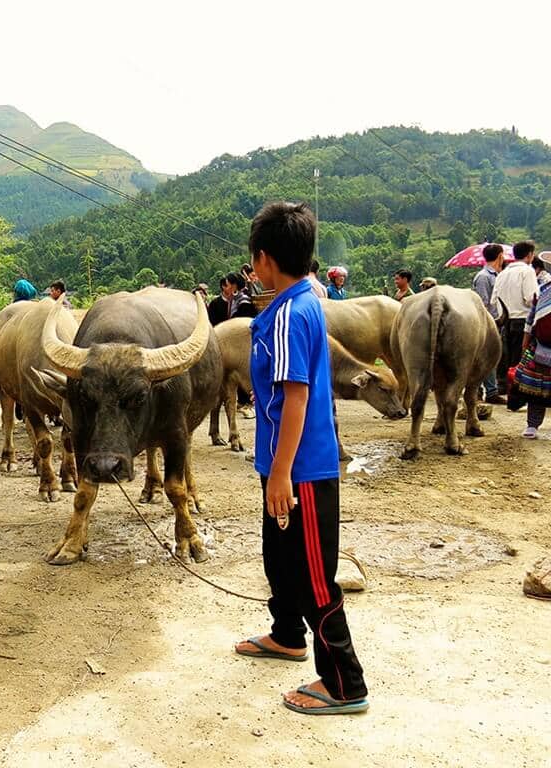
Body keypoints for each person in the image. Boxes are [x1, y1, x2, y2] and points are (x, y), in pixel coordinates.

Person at [234, 200, 368, 715]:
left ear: (264, 259)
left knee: (314, 575)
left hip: (303, 470)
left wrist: (283, 472)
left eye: (253, 259)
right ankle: (287, 634)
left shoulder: (291, 312)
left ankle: (344, 683)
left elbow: (295, 394)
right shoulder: (297, 303)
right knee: (281, 559)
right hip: (283, 465)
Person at [492, 240, 540, 393]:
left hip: (504, 320)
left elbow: (494, 300)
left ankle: (502, 386)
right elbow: (531, 298)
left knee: (504, 355)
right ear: (530, 255)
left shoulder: (502, 273)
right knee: (520, 357)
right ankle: (517, 390)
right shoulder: (527, 271)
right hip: (522, 319)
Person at [517, 252, 551, 438]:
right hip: (543, 345)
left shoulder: (542, 290)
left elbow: (530, 321)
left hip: (540, 346)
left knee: (537, 388)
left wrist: (525, 343)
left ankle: (532, 426)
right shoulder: (542, 289)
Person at [472, 243, 505, 403]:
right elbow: (483, 303)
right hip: (487, 322)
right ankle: (486, 391)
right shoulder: (484, 277)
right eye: (502, 255)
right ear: (499, 256)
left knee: (490, 357)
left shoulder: (496, 275)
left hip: (494, 322)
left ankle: (489, 390)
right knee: (483, 357)